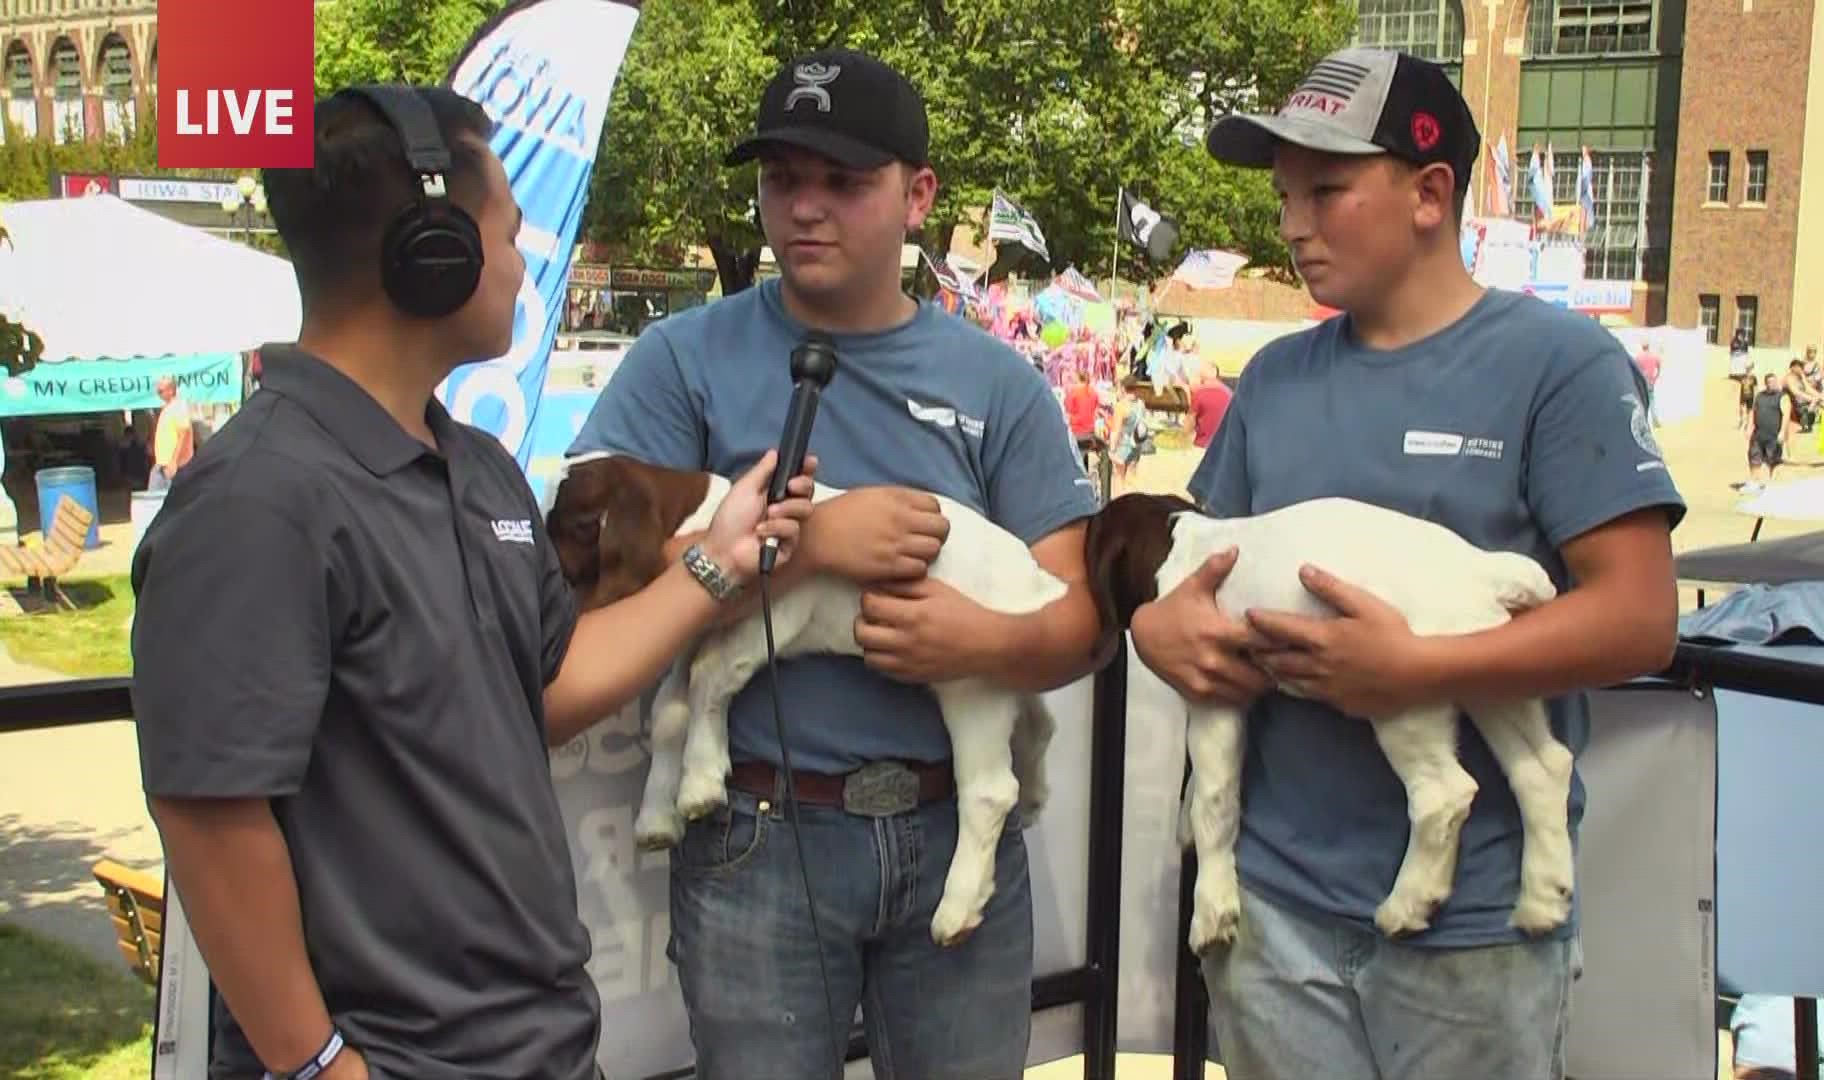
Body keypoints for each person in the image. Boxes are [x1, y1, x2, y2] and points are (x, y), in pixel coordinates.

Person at [129, 85, 814, 1080]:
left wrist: (721, 560)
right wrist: (317, 1062)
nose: (525, 262)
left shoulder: (479, 468)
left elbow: (546, 687)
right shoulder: (257, 502)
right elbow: (209, 814)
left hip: (536, 1047)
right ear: (431, 249)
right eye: (508, 233)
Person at [1127, 47, 1687, 1079]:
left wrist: (1419, 673)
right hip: (1273, 910)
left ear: (1431, 192)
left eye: (1328, 191)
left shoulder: (1558, 364)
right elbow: (1193, 558)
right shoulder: (1279, 377)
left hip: (1472, 933)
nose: (1293, 222)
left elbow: (1641, 616)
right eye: (1287, 193)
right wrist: (1153, 627)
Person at [568, 48, 1104, 1079]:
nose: (805, 209)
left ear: (919, 196)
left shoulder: (1001, 385)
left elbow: (1079, 616)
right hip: (754, 835)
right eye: (782, 180)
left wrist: (989, 640)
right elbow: (597, 584)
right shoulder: (679, 362)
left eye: (845, 182)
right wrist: (810, 540)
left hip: (957, 822)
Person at [1743, 371, 1788, 494]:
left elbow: (1786, 415)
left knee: (1771, 460)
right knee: (1754, 457)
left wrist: (1782, 432)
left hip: (1773, 434)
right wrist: (1749, 427)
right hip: (1758, 433)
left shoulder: (1782, 396)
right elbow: (1753, 412)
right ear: (1765, 383)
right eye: (1769, 382)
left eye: (1774, 382)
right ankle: (1754, 482)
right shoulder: (1760, 396)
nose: (1772, 384)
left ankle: (1769, 483)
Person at [148, 375, 194, 491]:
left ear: (171, 390)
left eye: (161, 391)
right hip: (162, 464)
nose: (158, 394)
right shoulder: (166, 408)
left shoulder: (179, 407)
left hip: (173, 466)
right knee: (153, 502)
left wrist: (174, 462)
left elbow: (183, 434)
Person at [1186, 361, 1232, 449]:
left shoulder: (1200, 393)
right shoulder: (1229, 393)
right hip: (1224, 445)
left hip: (1202, 444)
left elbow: (1189, 424)